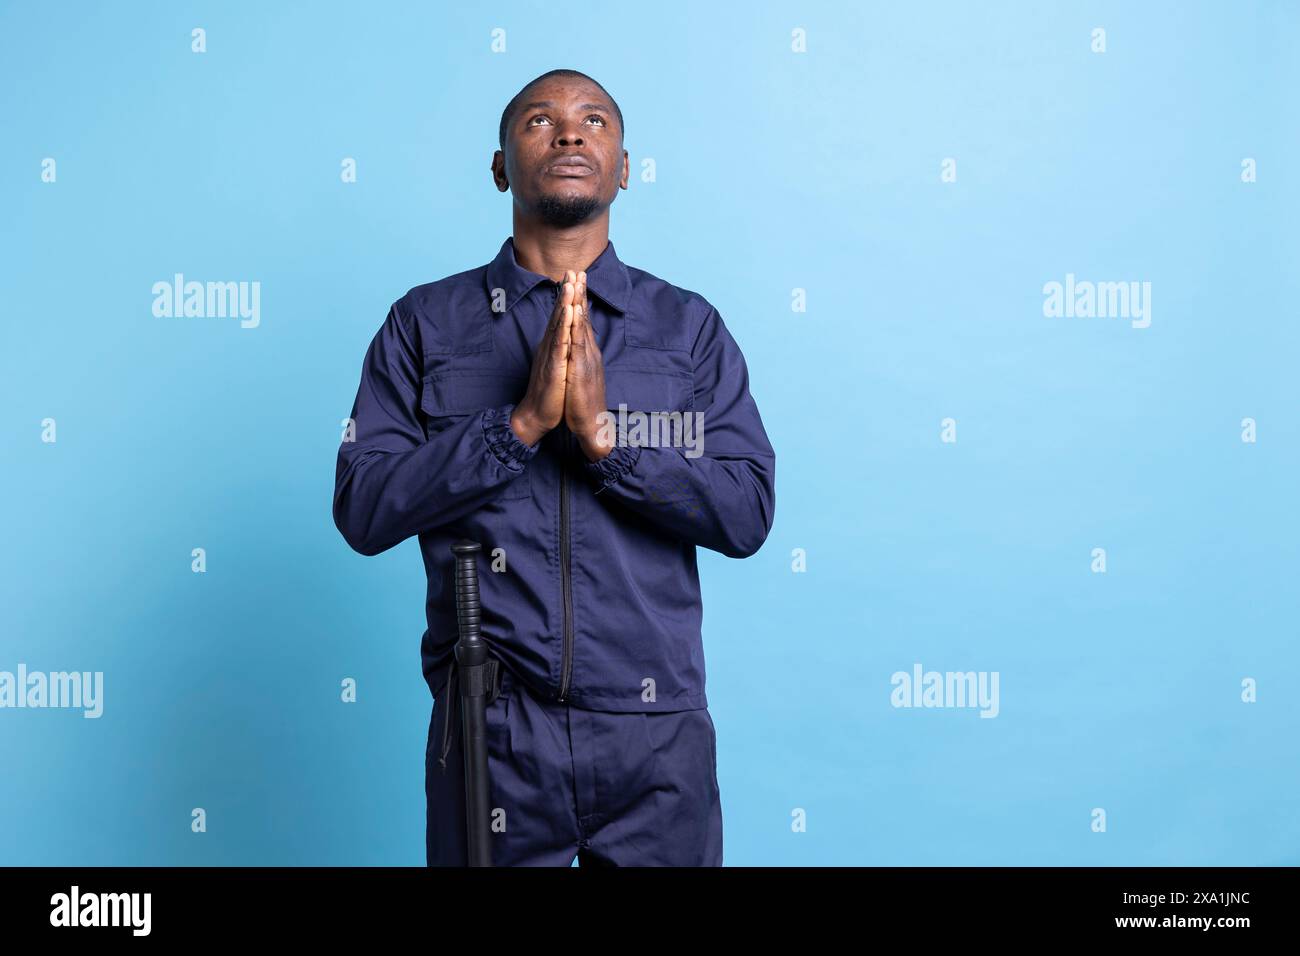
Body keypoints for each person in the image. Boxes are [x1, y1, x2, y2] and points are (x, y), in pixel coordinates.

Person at [332, 68, 776, 866]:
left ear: (625, 167)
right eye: (540, 120)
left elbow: (747, 514)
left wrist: (608, 442)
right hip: (493, 732)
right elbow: (363, 508)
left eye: (594, 121)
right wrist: (518, 428)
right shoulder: (424, 324)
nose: (570, 133)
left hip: (656, 734)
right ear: (500, 165)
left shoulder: (688, 328)